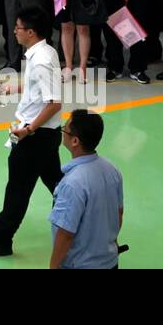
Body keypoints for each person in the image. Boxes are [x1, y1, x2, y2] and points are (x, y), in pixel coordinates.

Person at [0, 5, 63, 259]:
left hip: (35, 138)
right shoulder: (45, 52)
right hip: (46, 136)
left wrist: (28, 129)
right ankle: (83, 224)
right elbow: (38, 91)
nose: (14, 31)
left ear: (31, 32)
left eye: (18, 28)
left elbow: (54, 102)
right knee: (59, 187)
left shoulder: (41, 62)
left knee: (17, 191)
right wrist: (12, 89)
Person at [49, 110, 124, 269]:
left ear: (75, 141)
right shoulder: (112, 170)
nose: (63, 132)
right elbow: (119, 213)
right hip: (110, 262)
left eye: (65, 129)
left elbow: (66, 234)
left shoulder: (72, 184)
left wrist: (53, 266)